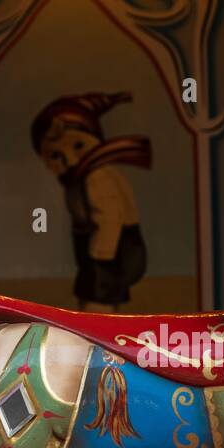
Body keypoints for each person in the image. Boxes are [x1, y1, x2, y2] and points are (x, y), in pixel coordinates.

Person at [30, 92, 150, 311]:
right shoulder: (82, 178)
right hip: (100, 247)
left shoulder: (97, 177)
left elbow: (109, 216)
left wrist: (100, 257)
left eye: (78, 146)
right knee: (100, 298)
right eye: (56, 156)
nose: (71, 160)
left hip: (108, 250)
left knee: (96, 301)